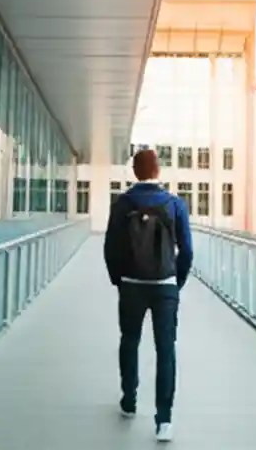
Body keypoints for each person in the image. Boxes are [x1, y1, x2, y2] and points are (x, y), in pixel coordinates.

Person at [103, 149, 193, 443]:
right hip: (165, 285)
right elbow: (187, 250)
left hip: (131, 284)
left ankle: (129, 400)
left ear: (134, 172)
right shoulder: (175, 204)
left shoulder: (123, 203)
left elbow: (110, 246)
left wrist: (119, 279)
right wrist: (175, 283)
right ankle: (163, 420)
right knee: (165, 349)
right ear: (158, 171)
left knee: (130, 340)